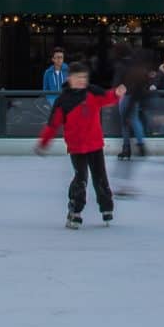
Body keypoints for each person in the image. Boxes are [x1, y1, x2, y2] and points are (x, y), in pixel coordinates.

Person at [34, 64, 127, 229]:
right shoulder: (62, 101)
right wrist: (43, 142)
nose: (81, 81)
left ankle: (106, 207)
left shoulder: (92, 92)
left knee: (100, 177)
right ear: (69, 78)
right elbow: (52, 124)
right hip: (76, 147)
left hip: (95, 144)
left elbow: (107, 97)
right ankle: (75, 210)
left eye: (84, 78)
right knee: (80, 178)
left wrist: (116, 94)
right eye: (77, 77)